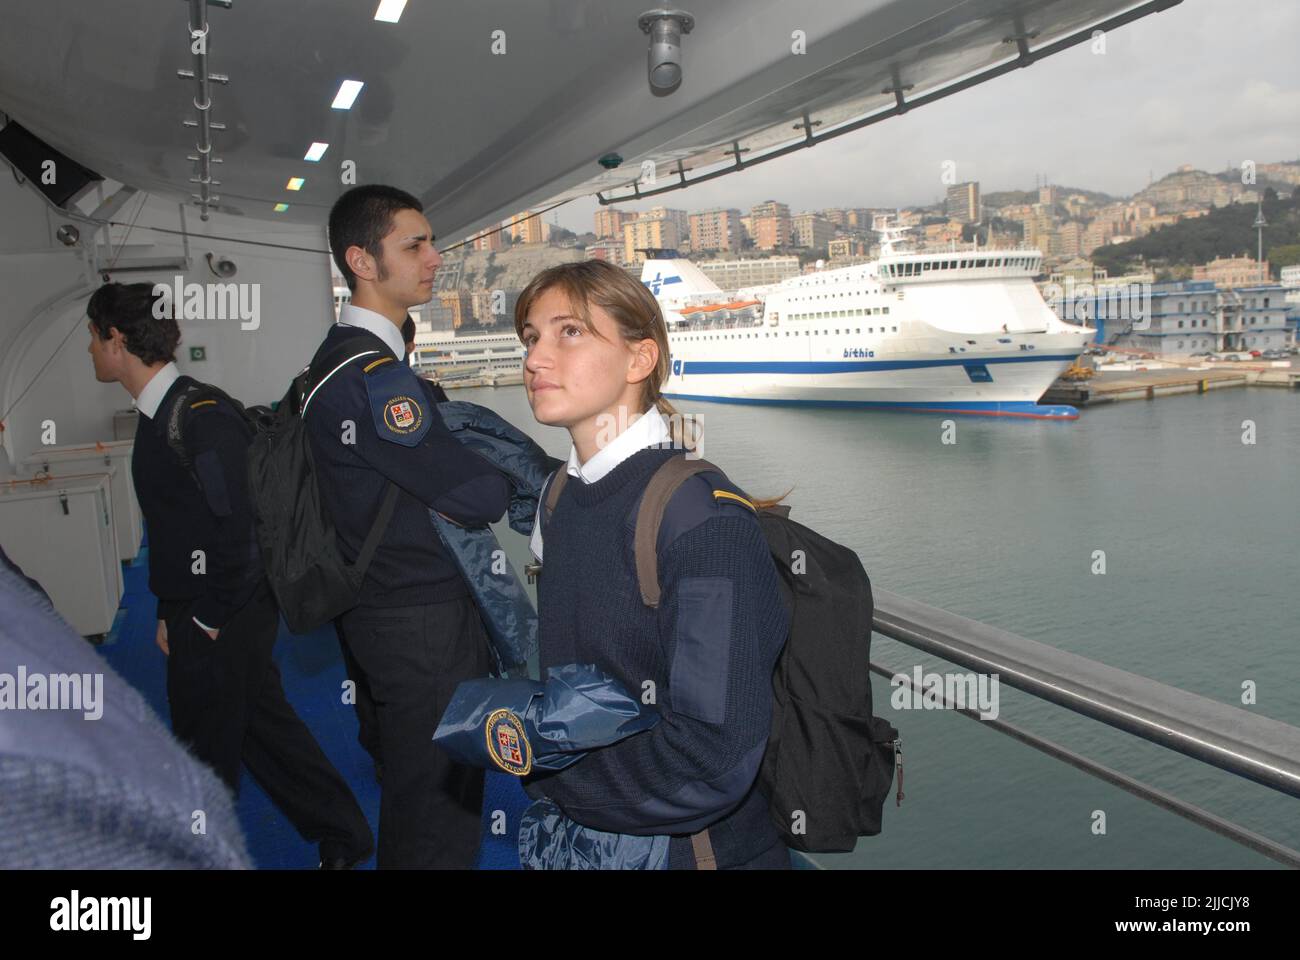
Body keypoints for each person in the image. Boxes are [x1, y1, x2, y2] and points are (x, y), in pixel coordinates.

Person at [85, 282, 374, 869]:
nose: (88, 351)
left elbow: (241, 536)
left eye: (92, 338)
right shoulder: (161, 413)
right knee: (261, 734)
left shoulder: (200, 418)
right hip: (203, 609)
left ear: (117, 340)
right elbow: (181, 529)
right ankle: (345, 836)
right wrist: (171, 611)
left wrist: (204, 618)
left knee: (201, 756)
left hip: (225, 612)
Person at [515, 259, 792, 869]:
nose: (535, 359)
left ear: (639, 361)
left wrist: (546, 771)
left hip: (693, 852)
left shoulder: (702, 517)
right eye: (532, 337)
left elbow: (714, 753)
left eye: (571, 332)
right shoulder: (558, 497)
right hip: (591, 835)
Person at [310, 184, 511, 868]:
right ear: (362, 261)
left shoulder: (333, 361)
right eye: (415, 244)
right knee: (440, 810)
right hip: (419, 623)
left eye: (432, 241)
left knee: (417, 792)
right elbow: (479, 494)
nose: (436, 257)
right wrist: (494, 460)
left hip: (383, 611)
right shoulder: (373, 377)